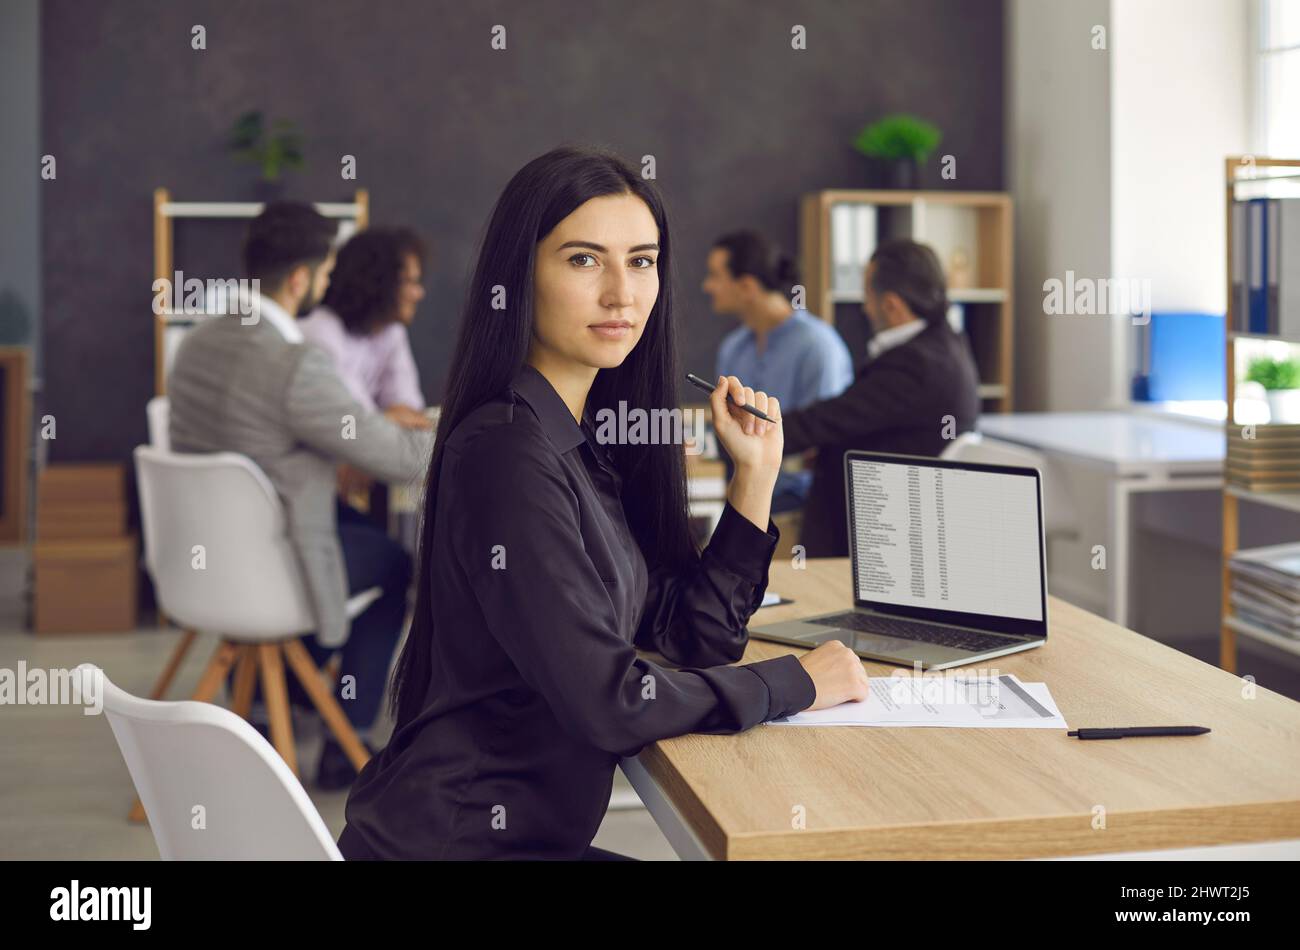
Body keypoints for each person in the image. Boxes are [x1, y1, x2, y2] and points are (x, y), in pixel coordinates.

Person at [336, 146, 868, 861]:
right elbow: (608, 701)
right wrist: (793, 682)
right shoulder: (506, 452)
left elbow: (689, 642)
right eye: (584, 260)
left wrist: (754, 479)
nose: (622, 292)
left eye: (642, 261)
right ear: (519, 277)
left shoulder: (575, 444)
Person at [167, 201, 434, 789]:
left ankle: (276, 694)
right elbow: (396, 459)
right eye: (324, 271)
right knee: (394, 564)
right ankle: (345, 732)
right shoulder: (292, 365)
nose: (327, 282)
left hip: (200, 562)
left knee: (357, 536)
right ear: (300, 279)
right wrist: (474, 434)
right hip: (268, 564)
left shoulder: (194, 344)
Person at [780, 239, 981, 557]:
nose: (864, 308)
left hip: (884, 524)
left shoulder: (917, 364)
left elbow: (830, 419)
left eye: (868, 297)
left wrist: (756, 431)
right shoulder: (947, 344)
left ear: (891, 305)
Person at [705, 230, 853, 512]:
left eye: (715, 276)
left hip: (803, 506)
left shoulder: (818, 346)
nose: (707, 286)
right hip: (741, 493)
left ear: (747, 286)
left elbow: (819, 443)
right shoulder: (733, 347)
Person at [299, 227, 429, 423]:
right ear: (375, 282)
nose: (419, 293)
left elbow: (410, 408)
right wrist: (389, 418)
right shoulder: (321, 331)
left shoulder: (391, 330)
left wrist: (389, 418)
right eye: (407, 282)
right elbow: (354, 423)